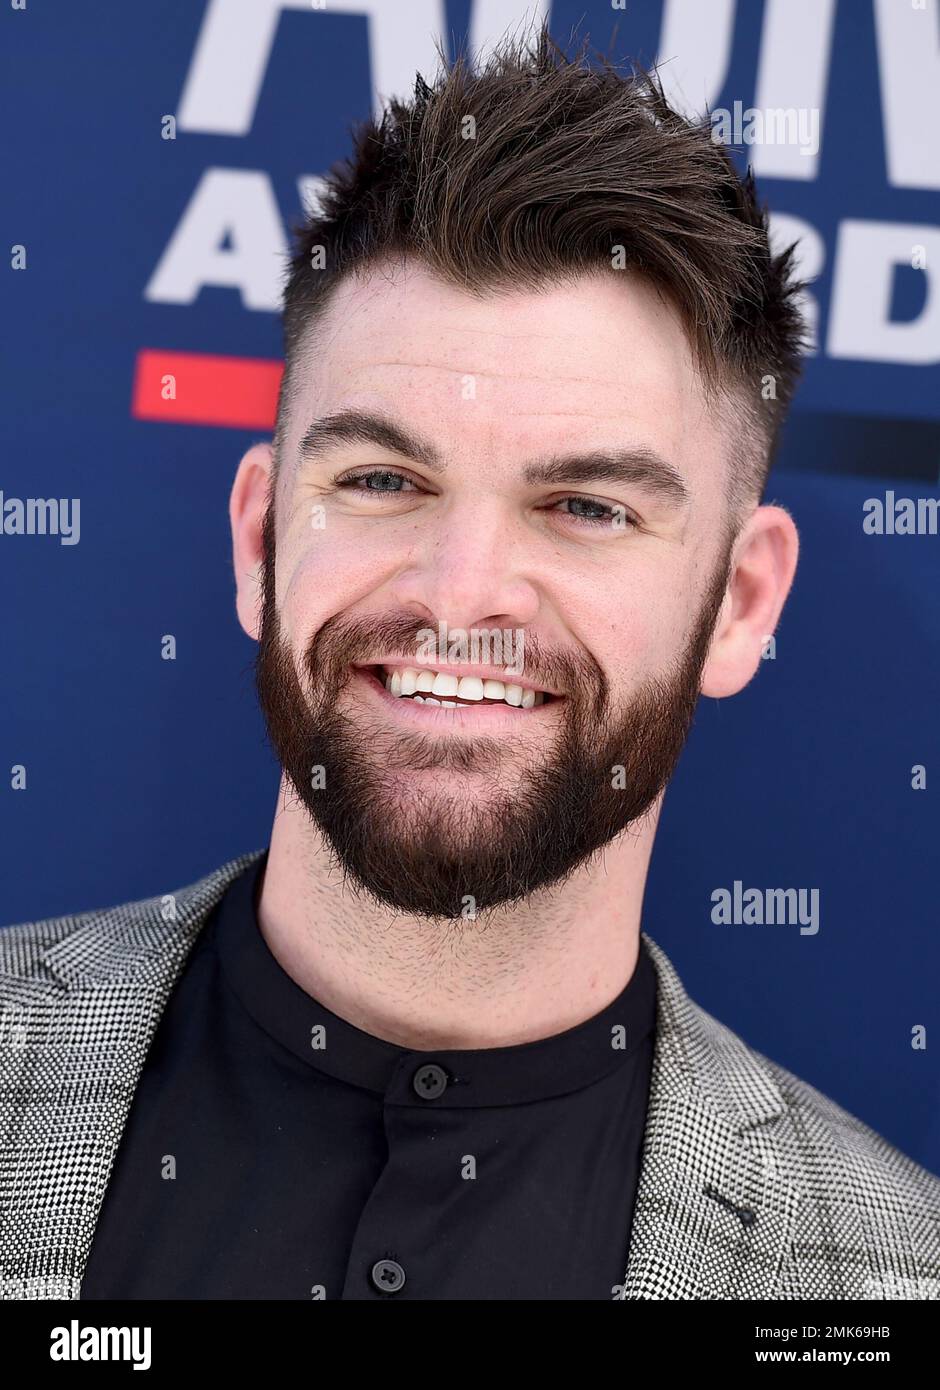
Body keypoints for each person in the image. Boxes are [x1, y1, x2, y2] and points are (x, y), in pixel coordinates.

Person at [2, 27, 937, 1302]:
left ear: (739, 602)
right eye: (383, 480)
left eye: (588, 507)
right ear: (260, 540)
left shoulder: (889, 1277)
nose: (460, 596)